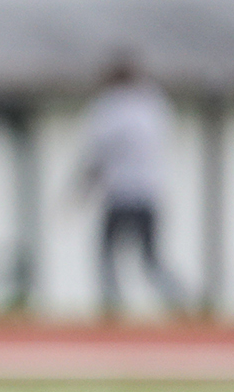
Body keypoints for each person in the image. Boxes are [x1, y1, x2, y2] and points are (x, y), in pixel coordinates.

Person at [78, 52, 187, 318]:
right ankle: (179, 298)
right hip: (150, 192)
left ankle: (111, 305)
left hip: (121, 193)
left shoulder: (110, 108)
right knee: (151, 258)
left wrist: (81, 189)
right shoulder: (154, 104)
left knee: (107, 254)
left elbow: (100, 154)